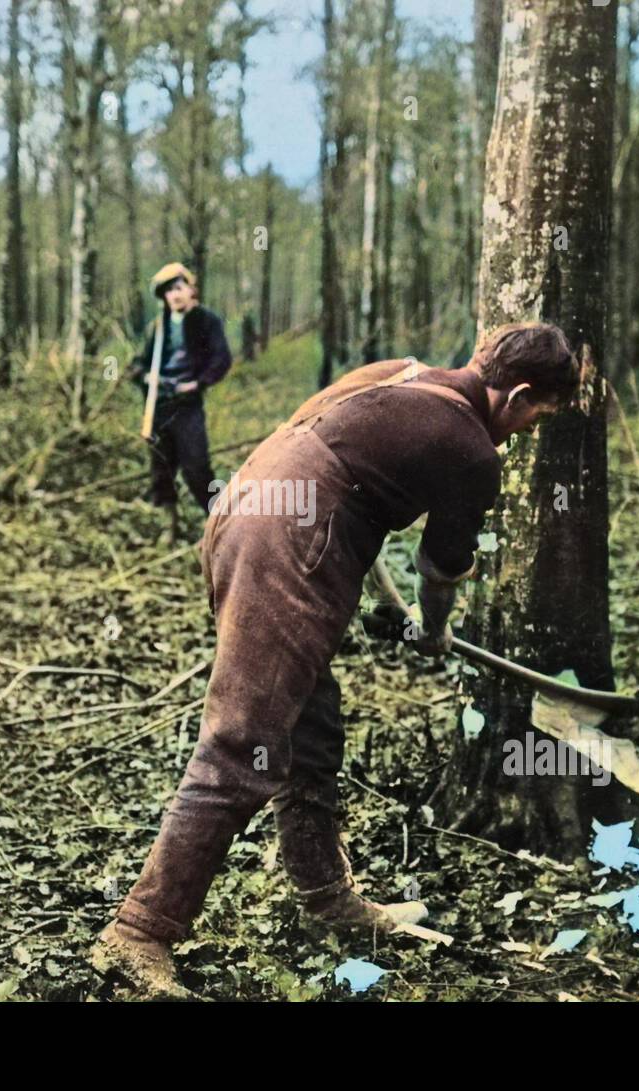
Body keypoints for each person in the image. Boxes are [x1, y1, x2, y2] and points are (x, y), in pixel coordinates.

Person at [95, 321, 581, 997]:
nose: (526, 432)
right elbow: (440, 566)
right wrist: (432, 630)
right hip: (287, 546)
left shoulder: (400, 372)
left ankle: (325, 895)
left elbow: (330, 457)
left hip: (246, 507)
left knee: (311, 721)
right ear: (519, 393)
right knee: (244, 740)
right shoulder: (471, 449)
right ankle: (139, 931)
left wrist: (380, 592)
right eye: (534, 418)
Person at [129, 262, 233, 540]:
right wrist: (145, 376)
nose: (174, 296)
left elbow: (221, 359)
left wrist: (197, 383)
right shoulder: (157, 327)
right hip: (159, 405)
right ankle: (169, 526)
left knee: (197, 466)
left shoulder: (207, 321)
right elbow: (138, 362)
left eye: (178, 288)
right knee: (161, 468)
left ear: (190, 289)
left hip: (187, 405)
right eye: (168, 292)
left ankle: (223, 524)